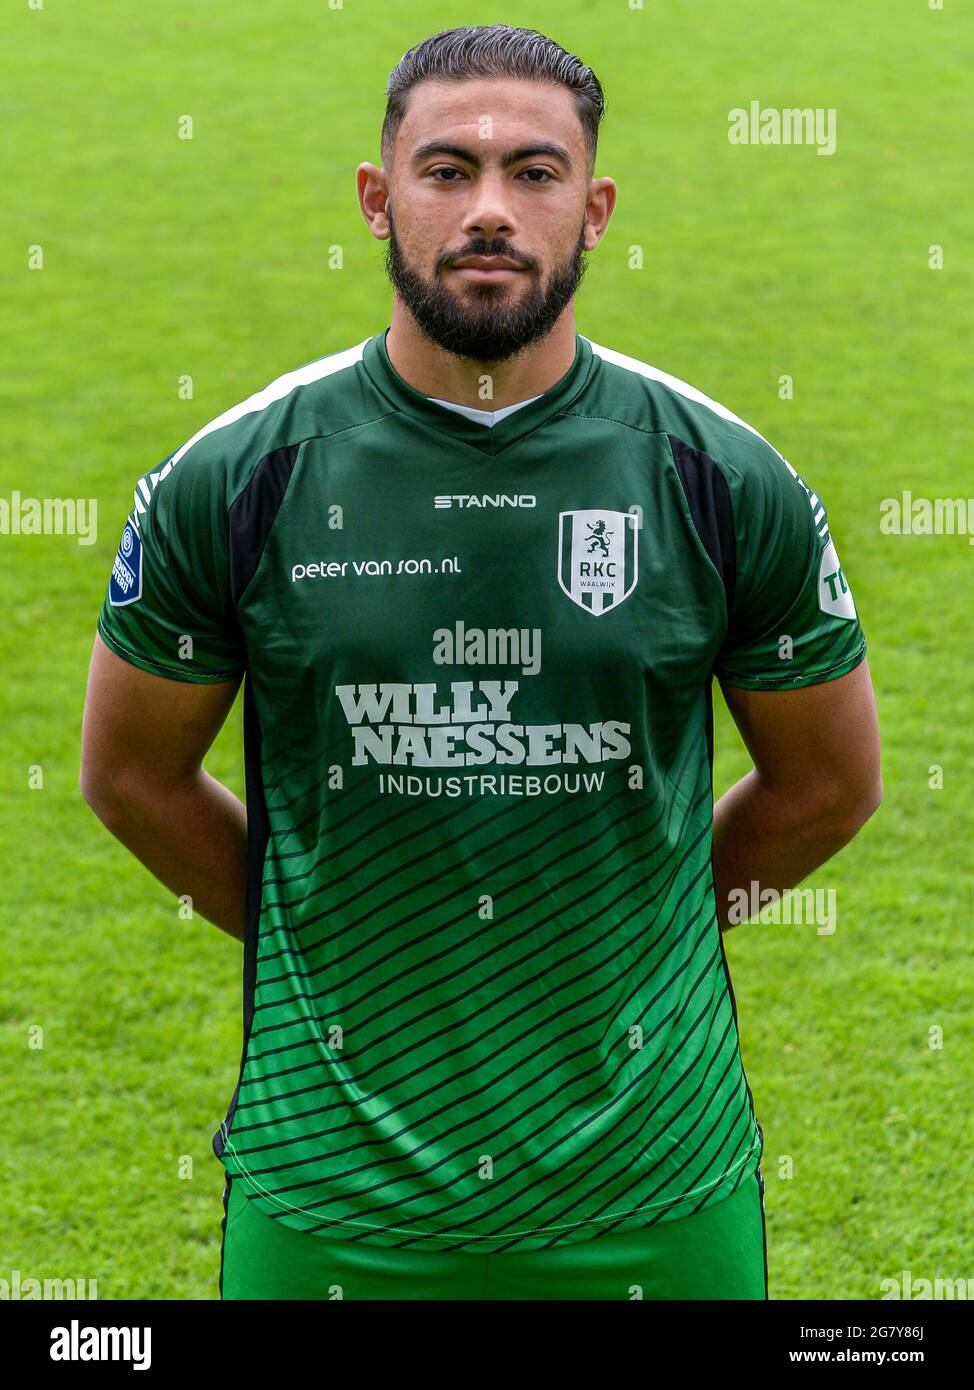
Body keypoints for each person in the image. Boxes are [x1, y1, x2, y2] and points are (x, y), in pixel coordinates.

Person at [80, 23, 882, 1300]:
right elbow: (131, 776)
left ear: (596, 206)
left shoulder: (720, 475)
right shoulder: (233, 478)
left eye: (536, 173)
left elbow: (827, 784)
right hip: (330, 1200)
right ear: (375, 196)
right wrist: (323, 938)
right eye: (447, 170)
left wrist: (656, 932)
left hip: (654, 1191)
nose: (490, 209)